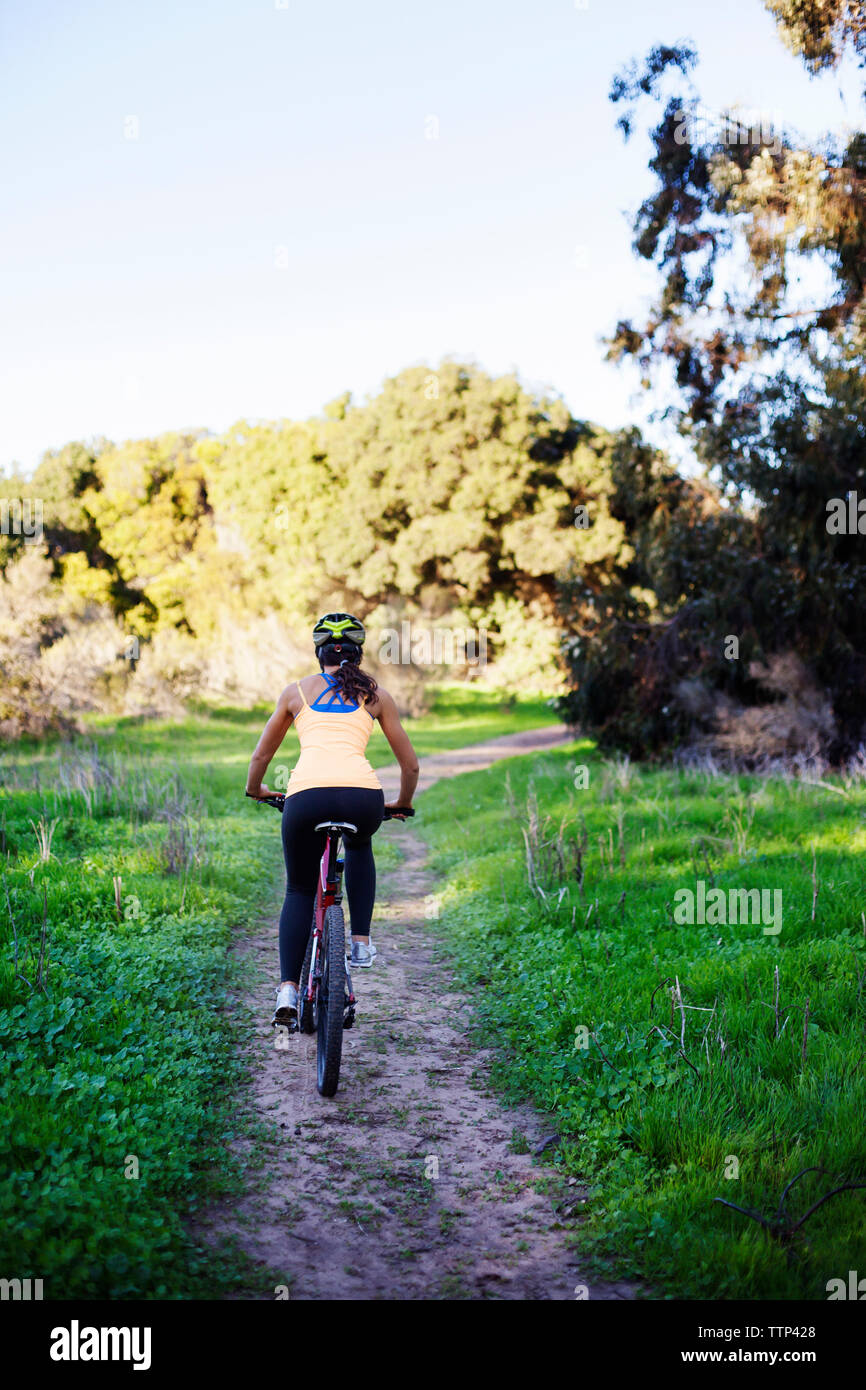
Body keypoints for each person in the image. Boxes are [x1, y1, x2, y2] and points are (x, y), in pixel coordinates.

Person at [245, 612, 419, 1031]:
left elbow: (261, 757)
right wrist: (400, 803)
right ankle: (359, 942)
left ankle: (287, 989)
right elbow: (410, 765)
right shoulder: (375, 694)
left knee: (299, 888)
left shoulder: (294, 693)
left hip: (305, 797)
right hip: (362, 797)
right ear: (358, 654)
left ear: (318, 653)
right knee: (359, 843)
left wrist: (258, 789)